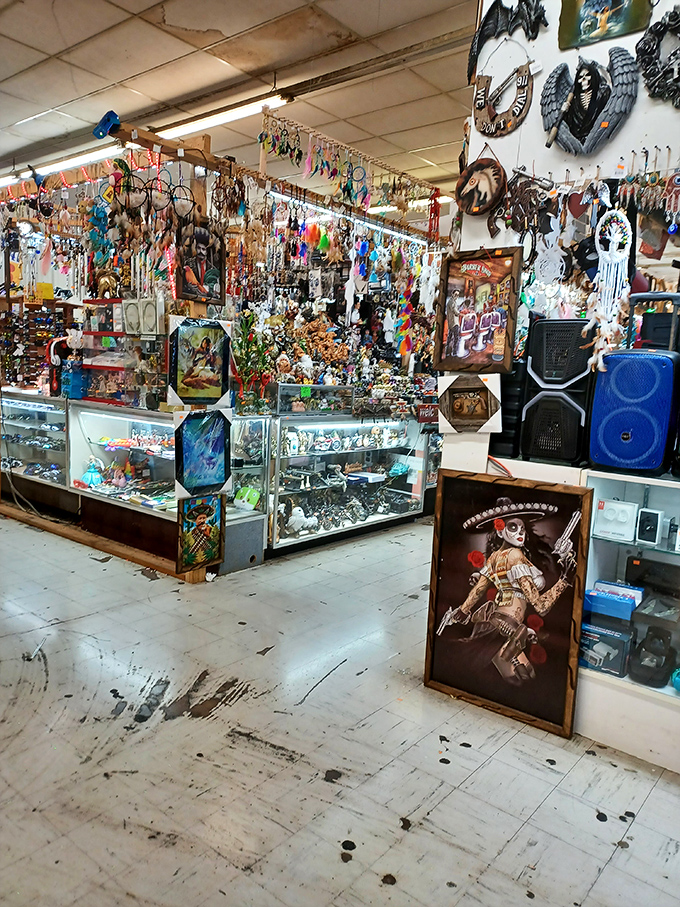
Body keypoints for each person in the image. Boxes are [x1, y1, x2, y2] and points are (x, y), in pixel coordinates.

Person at [437, 497, 574, 686]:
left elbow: (477, 591)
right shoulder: (515, 556)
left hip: (498, 624)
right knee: (523, 679)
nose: (520, 533)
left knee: (520, 677)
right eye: (512, 527)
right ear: (500, 532)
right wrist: (564, 581)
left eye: (522, 528)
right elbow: (541, 606)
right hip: (505, 628)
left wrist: (464, 610)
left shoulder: (495, 557)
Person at [181, 501, 221, 566]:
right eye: (200, 518)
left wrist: (208, 535)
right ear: (195, 521)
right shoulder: (190, 535)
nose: (202, 521)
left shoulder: (213, 531)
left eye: (204, 518)